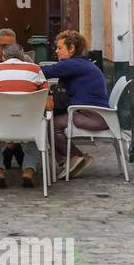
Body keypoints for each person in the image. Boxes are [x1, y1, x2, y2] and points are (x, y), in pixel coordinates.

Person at [40, 29, 110, 178]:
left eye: (60, 48)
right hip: (94, 113)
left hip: (94, 116)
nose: (56, 51)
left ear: (71, 48)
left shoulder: (73, 64)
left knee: (51, 124)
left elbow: (44, 72)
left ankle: (73, 157)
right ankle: (73, 159)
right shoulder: (80, 63)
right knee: (51, 121)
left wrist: (18, 68)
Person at [0, 43, 49, 188]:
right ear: (24, 57)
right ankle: (28, 170)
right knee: (39, 124)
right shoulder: (36, 69)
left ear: (3, 57)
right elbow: (49, 105)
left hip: (0, 128)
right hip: (29, 127)